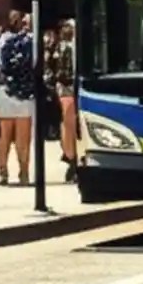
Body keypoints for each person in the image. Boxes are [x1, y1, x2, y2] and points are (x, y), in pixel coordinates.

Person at [0, 11, 34, 186]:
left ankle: (3, 172)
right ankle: (24, 172)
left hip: (4, 91)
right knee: (24, 137)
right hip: (25, 94)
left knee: (4, 135)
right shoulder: (31, 42)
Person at [54, 21, 77, 183]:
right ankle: (71, 158)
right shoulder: (63, 48)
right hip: (68, 89)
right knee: (68, 126)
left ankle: (72, 159)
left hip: (67, 89)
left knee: (68, 126)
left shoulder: (63, 47)